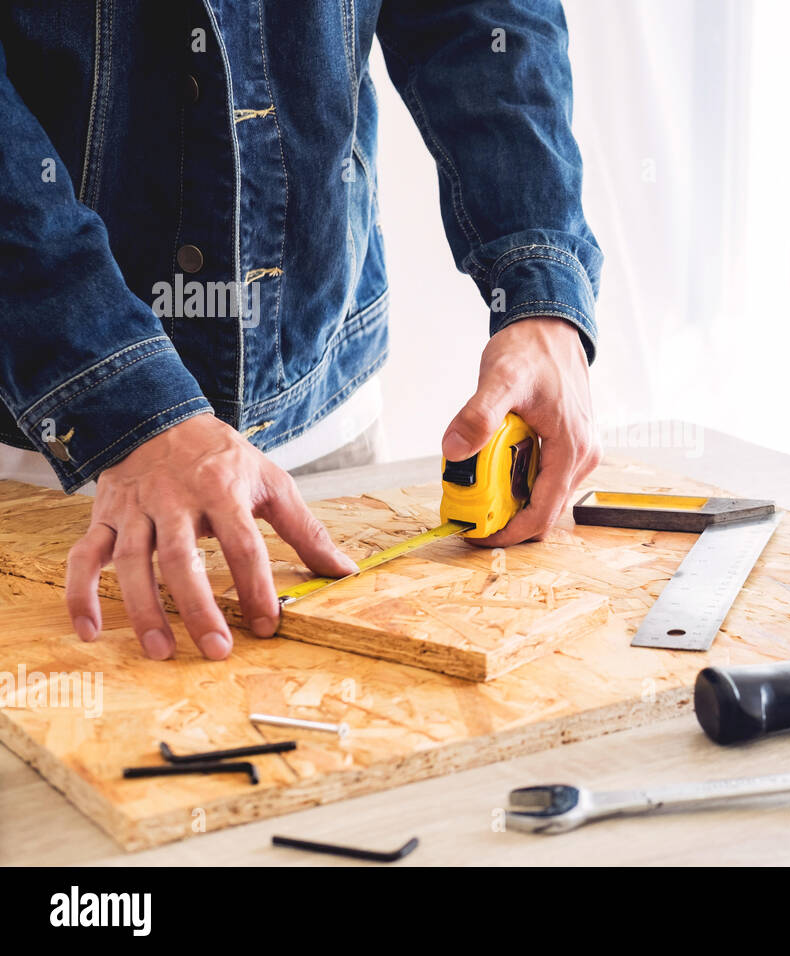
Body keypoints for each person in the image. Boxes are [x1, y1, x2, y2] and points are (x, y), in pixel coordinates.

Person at [0, 1, 601, 662]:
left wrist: (542, 288)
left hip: (319, 443)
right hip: (37, 456)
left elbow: (478, 17)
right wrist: (117, 393)